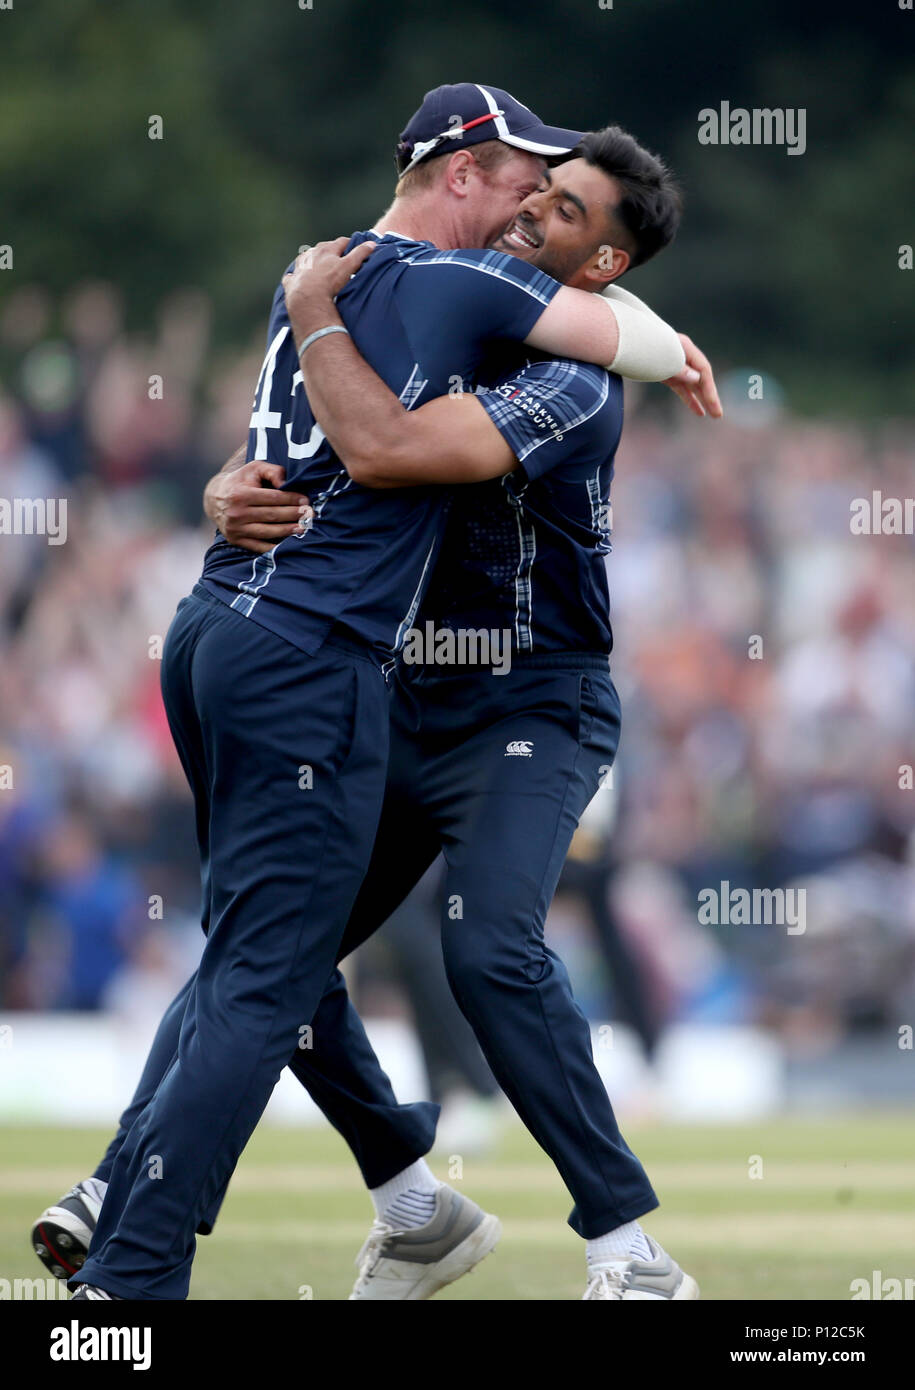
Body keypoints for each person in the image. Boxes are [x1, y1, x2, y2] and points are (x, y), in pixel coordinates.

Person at [37, 87, 704, 1302]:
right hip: (396, 690)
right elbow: (324, 470)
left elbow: (392, 451)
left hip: (527, 701)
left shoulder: (570, 375)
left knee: (485, 947)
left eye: (560, 211)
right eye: (529, 188)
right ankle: (397, 1200)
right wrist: (227, 493)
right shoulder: (436, 307)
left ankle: (628, 1249)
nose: (530, 218)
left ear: (599, 260)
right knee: (273, 956)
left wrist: (309, 310)